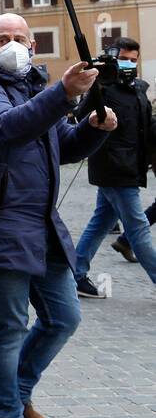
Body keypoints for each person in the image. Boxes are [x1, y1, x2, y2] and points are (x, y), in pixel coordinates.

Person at [0, 13, 115, 418]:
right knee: (7, 328)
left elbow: (61, 144)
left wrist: (92, 130)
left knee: (64, 318)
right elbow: (5, 127)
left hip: (40, 227)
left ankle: (17, 397)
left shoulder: (31, 89)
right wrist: (63, 94)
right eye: (2, 38)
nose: (11, 44)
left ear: (32, 46)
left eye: (20, 38)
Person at [74, 38, 156, 297]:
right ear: (113, 57)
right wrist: (96, 87)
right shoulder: (103, 87)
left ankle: (75, 274)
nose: (129, 63)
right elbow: (79, 115)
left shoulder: (139, 89)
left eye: (134, 59)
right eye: (124, 58)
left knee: (101, 222)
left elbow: (146, 129)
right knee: (139, 229)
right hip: (113, 167)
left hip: (132, 167)